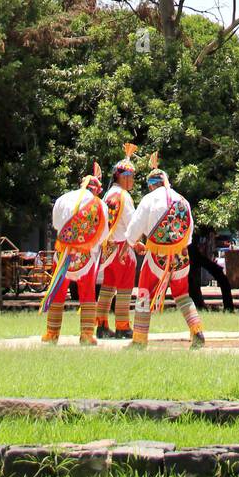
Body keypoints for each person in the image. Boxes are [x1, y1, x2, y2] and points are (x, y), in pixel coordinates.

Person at [126, 154, 205, 350]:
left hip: (156, 258)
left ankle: (139, 339)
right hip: (181, 257)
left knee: (144, 292)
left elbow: (135, 228)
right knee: (183, 295)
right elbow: (189, 231)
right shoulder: (182, 200)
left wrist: (133, 242)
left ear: (151, 185)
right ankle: (197, 331)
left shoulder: (149, 199)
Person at [39, 164, 108, 345]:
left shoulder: (63, 198)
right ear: (97, 191)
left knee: (58, 293)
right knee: (87, 295)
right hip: (86, 257)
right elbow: (103, 234)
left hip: (63, 254)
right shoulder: (99, 204)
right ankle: (86, 334)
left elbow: (55, 225)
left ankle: (52, 334)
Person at [96, 144, 138, 339]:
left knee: (107, 287)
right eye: (132, 177)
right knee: (124, 288)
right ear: (124, 177)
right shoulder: (124, 196)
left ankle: (102, 324)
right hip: (122, 247)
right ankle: (122, 325)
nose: (133, 182)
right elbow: (133, 224)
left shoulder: (108, 195)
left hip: (108, 248)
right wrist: (137, 243)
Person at [188, 225, 234, 313]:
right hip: (193, 254)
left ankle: (228, 308)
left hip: (194, 255)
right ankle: (228, 307)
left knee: (221, 277)